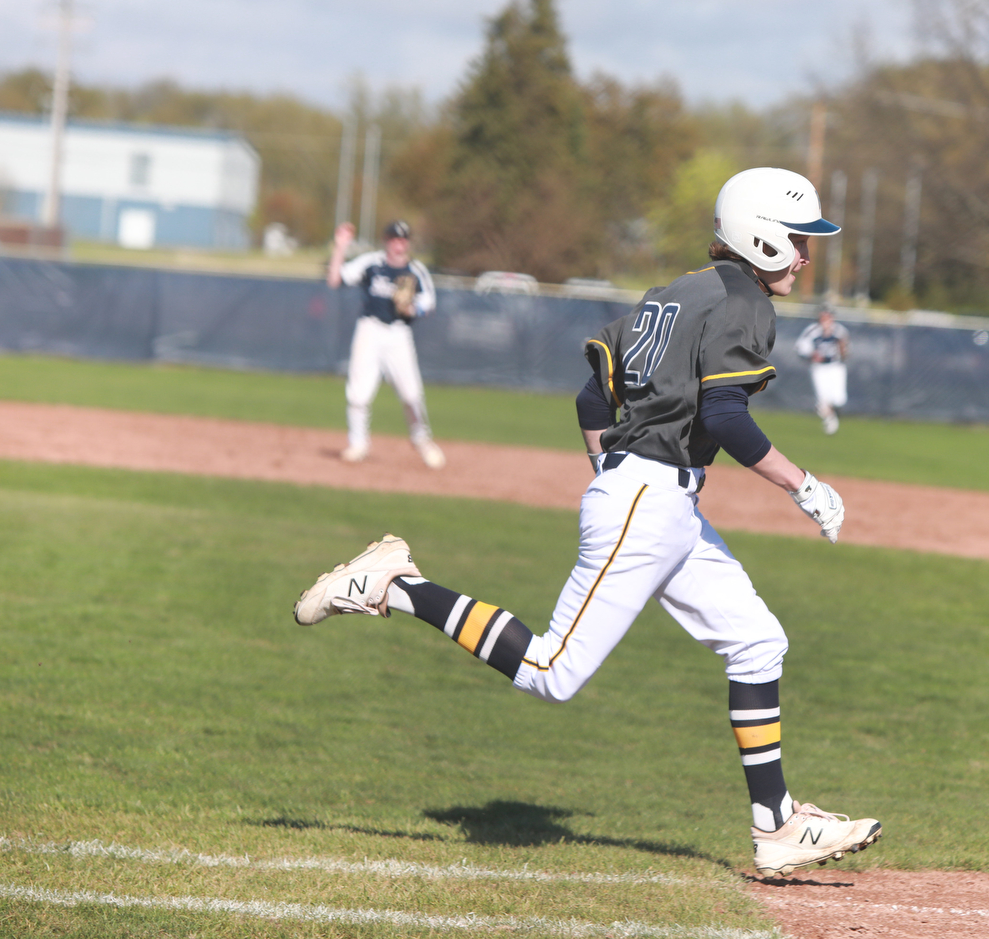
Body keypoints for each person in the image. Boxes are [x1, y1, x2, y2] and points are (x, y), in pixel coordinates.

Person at [293, 168, 880, 878]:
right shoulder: (744, 302)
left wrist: (610, 471)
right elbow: (726, 417)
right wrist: (803, 484)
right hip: (650, 500)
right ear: (758, 236)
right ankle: (395, 587)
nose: (804, 255)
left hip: (657, 500)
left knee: (758, 643)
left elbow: (591, 394)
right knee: (551, 671)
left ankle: (777, 825)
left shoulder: (674, 292)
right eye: (795, 240)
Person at [328, 219, 445, 469]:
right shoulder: (373, 263)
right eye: (393, 239)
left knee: (411, 394)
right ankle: (358, 443)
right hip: (369, 329)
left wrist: (414, 308)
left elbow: (429, 302)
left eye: (402, 239)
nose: (398, 244)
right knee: (358, 394)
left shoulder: (415, 270)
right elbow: (335, 280)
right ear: (386, 241)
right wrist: (340, 247)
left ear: (408, 243)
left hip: (398, 333)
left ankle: (421, 439)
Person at [795, 307, 850, 435]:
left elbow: (846, 350)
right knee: (822, 399)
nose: (825, 320)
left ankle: (832, 417)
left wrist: (843, 351)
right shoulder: (812, 330)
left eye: (828, 317)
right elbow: (800, 347)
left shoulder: (840, 331)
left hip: (836, 366)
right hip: (819, 367)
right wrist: (811, 354)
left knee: (839, 399)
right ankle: (830, 421)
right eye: (823, 317)